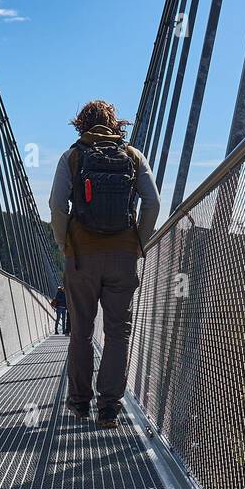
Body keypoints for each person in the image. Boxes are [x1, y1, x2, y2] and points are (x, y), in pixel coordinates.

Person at [48, 100, 159, 428]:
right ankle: (108, 408)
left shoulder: (72, 156)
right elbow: (152, 203)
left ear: (81, 124)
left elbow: (56, 205)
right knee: (117, 333)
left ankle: (80, 403)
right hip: (123, 256)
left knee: (80, 332)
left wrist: (64, 243)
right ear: (115, 124)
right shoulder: (133, 156)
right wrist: (138, 242)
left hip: (81, 258)